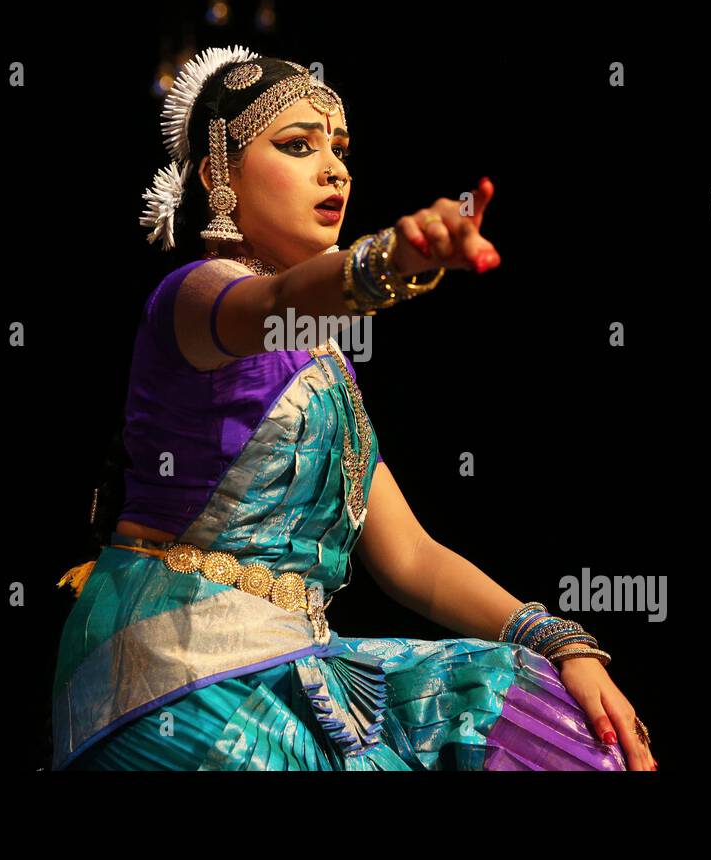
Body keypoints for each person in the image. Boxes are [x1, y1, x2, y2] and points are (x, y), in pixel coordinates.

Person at [50, 46, 655, 771]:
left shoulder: (326, 366)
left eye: (340, 150)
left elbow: (412, 558)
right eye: (298, 146)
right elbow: (278, 300)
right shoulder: (199, 298)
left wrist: (558, 643)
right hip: (170, 675)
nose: (334, 168)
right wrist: (393, 260)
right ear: (220, 177)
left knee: (539, 710)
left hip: (288, 666)